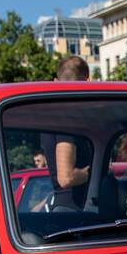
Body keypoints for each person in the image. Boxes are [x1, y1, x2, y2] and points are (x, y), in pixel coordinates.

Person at [41, 56, 92, 209]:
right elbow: (66, 177)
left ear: (56, 81)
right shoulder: (68, 119)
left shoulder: (49, 117)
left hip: (65, 207)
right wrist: (96, 172)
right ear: (87, 81)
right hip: (76, 209)